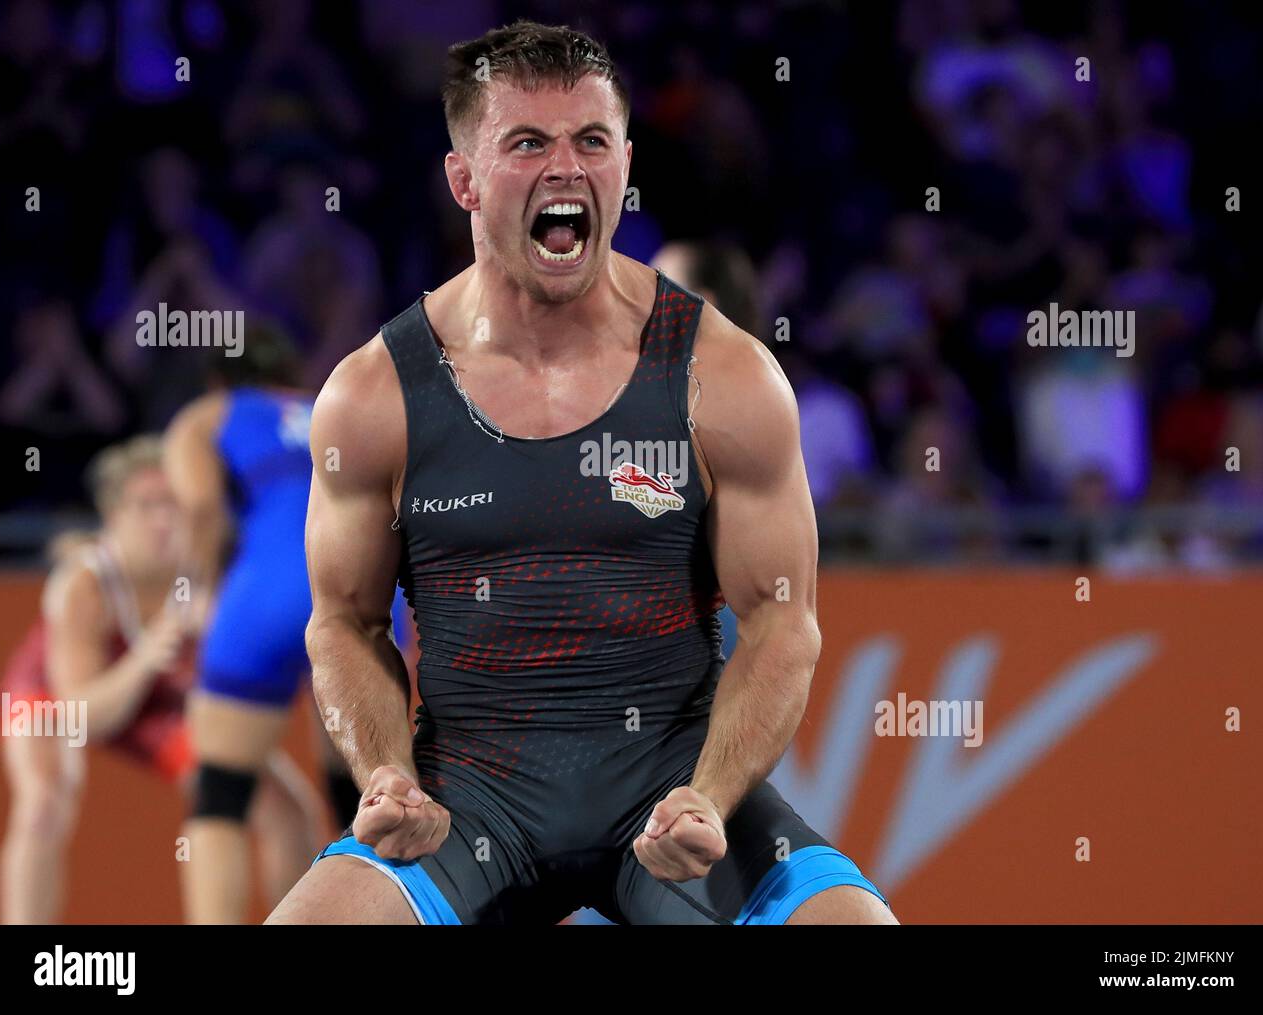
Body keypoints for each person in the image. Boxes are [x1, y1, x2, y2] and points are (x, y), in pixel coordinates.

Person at [268, 20, 896, 926]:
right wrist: (386, 776)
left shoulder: (726, 375)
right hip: (465, 803)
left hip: (671, 797)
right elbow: (345, 624)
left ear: (625, 164)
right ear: (465, 181)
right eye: (528, 143)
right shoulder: (373, 395)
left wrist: (711, 796)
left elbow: (782, 623)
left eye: (591, 141)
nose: (565, 167)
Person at [0, 436, 318, 923]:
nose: (164, 520)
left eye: (173, 504)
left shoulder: (206, 568)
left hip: (159, 700)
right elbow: (86, 717)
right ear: (112, 516)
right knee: (43, 802)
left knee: (285, 809)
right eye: (146, 506)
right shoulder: (83, 584)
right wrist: (147, 656)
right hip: (59, 699)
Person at [164, 326, 408, 923]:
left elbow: (198, 507)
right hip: (364, 589)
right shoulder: (332, 402)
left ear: (220, 378)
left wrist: (194, 596)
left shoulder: (209, 414)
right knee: (366, 798)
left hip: (265, 592)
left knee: (221, 792)